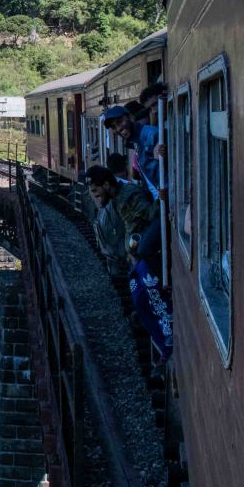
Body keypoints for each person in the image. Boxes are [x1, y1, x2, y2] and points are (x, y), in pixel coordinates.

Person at [85, 165, 171, 359]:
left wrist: (161, 200)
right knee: (139, 300)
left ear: (106, 185)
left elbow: (150, 214)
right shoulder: (117, 199)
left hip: (144, 256)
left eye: (97, 194)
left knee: (145, 298)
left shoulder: (128, 196)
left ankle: (167, 334)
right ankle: (163, 342)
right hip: (137, 256)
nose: (98, 200)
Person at [103, 104, 160, 196]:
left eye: (120, 121)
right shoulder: (135, 143)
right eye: (114, 127)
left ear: (131, 117)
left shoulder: (151, 135)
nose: (118, 128)